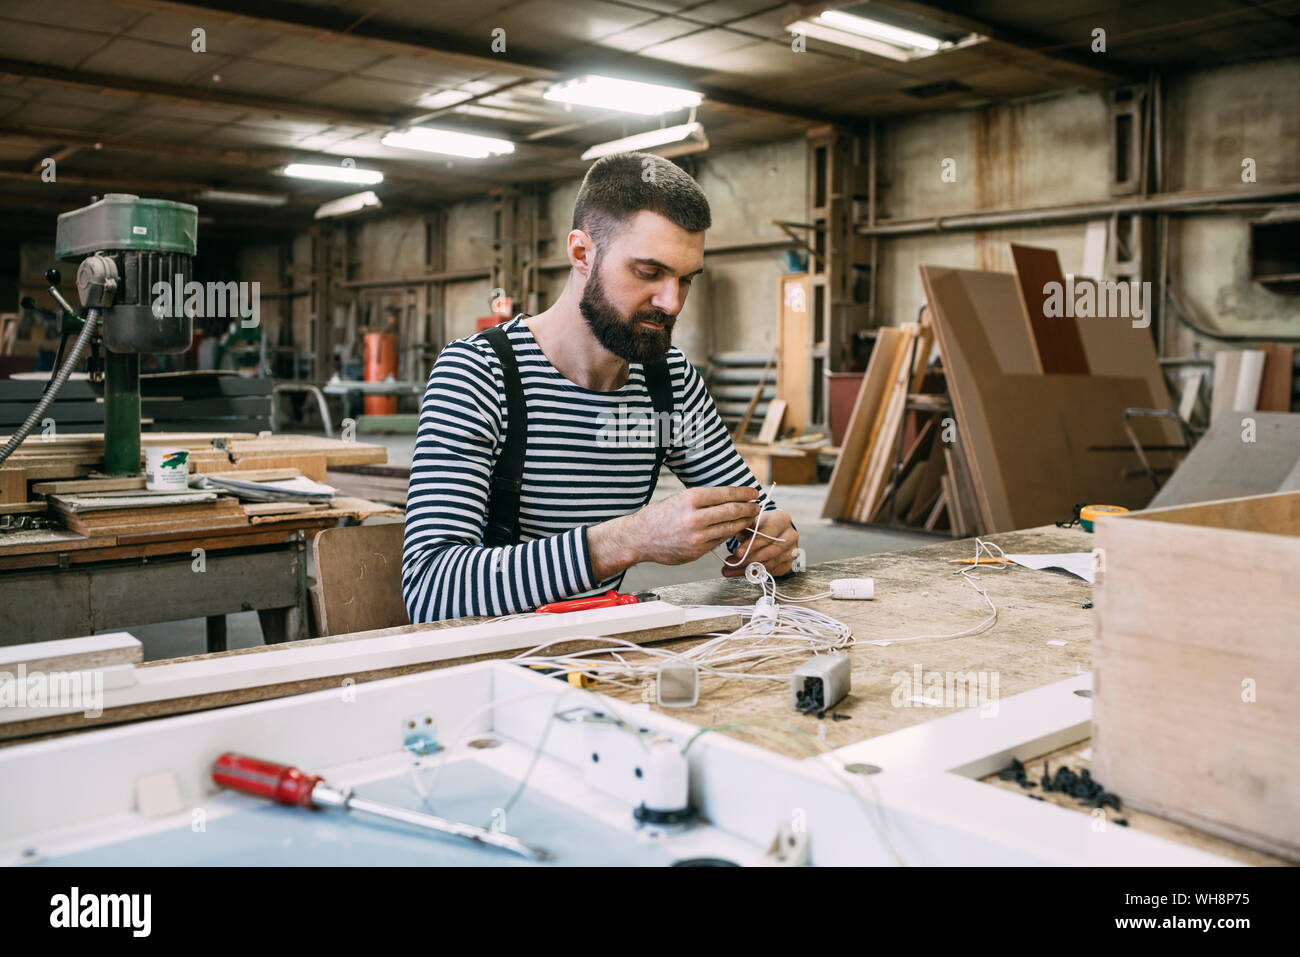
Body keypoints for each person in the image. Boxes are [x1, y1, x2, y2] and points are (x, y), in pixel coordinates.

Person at [402, 151, 798, 622]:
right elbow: (430, 591)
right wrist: (628, 539)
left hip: (600, 653)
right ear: (581, 254)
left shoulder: (668, 383)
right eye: (649, 273)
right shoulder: (479, 374)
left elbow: (760, 523)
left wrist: (772, 543)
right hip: (490, 660)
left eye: (686, 279)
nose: (671, 303)